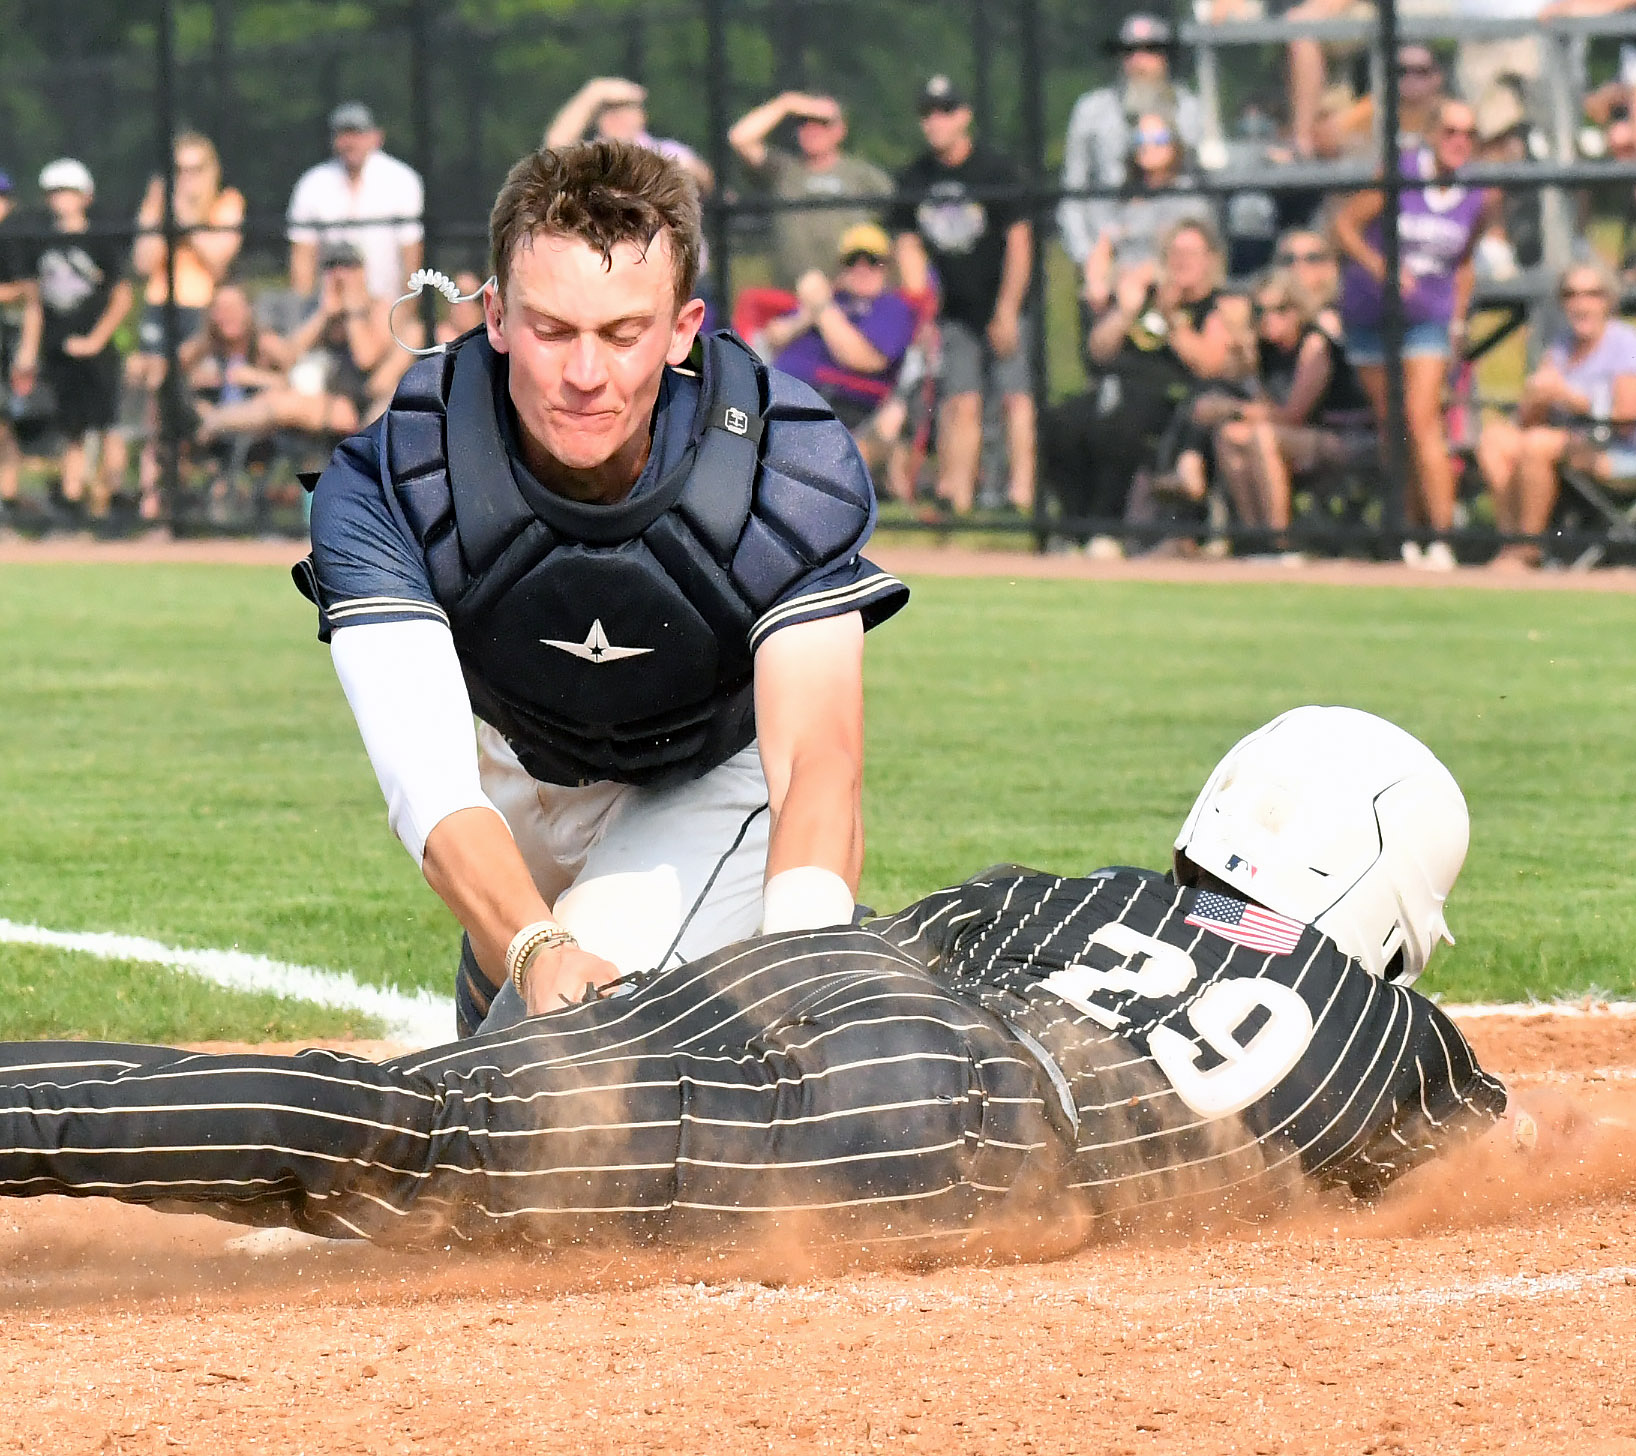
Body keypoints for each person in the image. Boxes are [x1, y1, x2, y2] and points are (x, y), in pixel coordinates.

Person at [0, 707, 1513, 1251]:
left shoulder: (1077, 892)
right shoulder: (1393, 1036)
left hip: (834, 989)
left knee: (402, 1106)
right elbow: (1514, 1160)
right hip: (954, 1126)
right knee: (392, 1154)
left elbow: (878, 951)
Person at [296, 141, 908, 1040]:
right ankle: (503, 960)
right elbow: (425, 781)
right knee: (534, 991)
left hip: (701, 774)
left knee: (575, 1055)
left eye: (624, 334)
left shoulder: (785, 468)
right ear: (495, 315)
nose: (587, 376)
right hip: (518, 755)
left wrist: (804, 966)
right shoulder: (397, 475)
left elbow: (818, 761)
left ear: (684, 326)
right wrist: (534, 948)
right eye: (552, 331)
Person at [1334, 98, 1502, 569]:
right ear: (1431, 133)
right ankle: (1403, 530)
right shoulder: (1402, 173)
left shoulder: (1478, 195)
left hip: (1427, 314)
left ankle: (1443, 535)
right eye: (1450, 130)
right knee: (1394, 426)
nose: (1458, 141)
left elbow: (1464, 261)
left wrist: (1458, 319)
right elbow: (1346, 226)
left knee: (1422, 415)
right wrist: (1382, 268)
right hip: (1372, 312)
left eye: (1468, 133)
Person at [1042, 217, 1235, 555]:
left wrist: (1171, 316)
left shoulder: (1215, 305)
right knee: (1059, 422)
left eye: (1192, 253)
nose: (1182, 261)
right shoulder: (1144, 296)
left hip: (1172, 401)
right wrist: (1126, 310)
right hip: (1114, 387)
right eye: (1175, 252)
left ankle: (1106, 529)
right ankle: (1073, 526)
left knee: (1123, 423)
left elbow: (1209, 364)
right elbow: (1099, 351)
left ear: (1210, 259)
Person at [890, 75, 1034, 515]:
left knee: (1016, 398)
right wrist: (921, 310)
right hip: (952, 310)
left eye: (945, 112)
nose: (936, 122)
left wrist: (1008, 310)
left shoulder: (996, 171)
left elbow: (1019, 243)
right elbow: (907, 242)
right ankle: (961, 498)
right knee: (961, 400)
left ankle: (1023, 496)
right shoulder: (915, 177)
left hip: (1003, 301)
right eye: (928, 114)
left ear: (964, 116)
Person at [1476, 260, 1636, 570]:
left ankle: (1528, 549)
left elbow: (1626, 418)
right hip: (1564, 444)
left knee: (1537, 444)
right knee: (1495, 439)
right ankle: (1512, 543)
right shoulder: (1561, 345)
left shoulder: (1624, 343)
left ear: (1609, 301)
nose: (1581, 302)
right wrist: (1537, 398)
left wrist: (1568, 397)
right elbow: (1527, 423)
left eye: (1592, 293)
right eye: (1571, 294)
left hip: (1616, 451)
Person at [10, 159, 134, 526]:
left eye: (69, 192)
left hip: (96, 352)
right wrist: (28, 351)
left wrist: (96, 340)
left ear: (86, 196)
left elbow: (122, 296)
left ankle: (110, 499)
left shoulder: (100, 239)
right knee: (71, 430)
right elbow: (35, 301)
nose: (61, 200)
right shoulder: (41, 242)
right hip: (57, 348)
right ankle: (72, 499)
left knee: (106, 425)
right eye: (55, 193)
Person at [128, 131, 245, 520]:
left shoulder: (227, 204)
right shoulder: (158, 205)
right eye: (179, 171)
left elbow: (217, 260)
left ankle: (201, 497)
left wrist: (185, 218)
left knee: (193, 399)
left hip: (202, 312)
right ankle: (153, 505)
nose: (188, 179)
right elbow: (144, 263)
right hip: (161, 307)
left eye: (196, 170)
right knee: (153, 404)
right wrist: (159, 211)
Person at [1058, 12, 1202, 288]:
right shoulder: (1091, 110)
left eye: (1151, 51)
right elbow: (1072, 190)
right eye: (1130, 52)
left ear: (1166, 57)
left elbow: (1197, 188)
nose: (1139, 61)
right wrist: (1087, 257)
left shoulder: (1188, 109)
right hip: (1107, 256)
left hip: (1172, 261)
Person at [197, 241, 393, 445]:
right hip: (319, 395)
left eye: (347, 267)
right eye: (332, 267)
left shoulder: (379, 308)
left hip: (357, 406)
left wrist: (353, 312)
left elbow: (366, 359)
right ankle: (211, 422)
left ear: (362, 272)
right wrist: (324, 315)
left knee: (282, 404)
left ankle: (209, 422)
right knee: (273, 398)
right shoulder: (321, 310)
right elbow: (289, 356)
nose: (340, 274)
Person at [761, 222, 917, 461]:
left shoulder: (892, 308)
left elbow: (863, 359)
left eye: (873, 261)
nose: (862, 268)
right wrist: (810, 311)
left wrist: (822, 310)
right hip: (784, 391)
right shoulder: (832, 299)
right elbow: (774, 337)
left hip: (840, 403)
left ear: (887, 268)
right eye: (853, 260)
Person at [728, 92, 893, 292]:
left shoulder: (863, 176)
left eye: (822, 123)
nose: (811, 130)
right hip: (791, 297)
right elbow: (740, 138)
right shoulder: (783, 170)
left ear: (840, 129)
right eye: (804, 123)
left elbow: (897, 226)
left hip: (849, 296)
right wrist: (786, 103)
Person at [1078, 111, 1215, 319]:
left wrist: (1144, 276)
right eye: (1140, 139)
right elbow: (1103, 245)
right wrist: (1096, 281)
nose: (1147, 146)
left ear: (1174, 146)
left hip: (1173, 291)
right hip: (1122, 292)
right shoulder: (1124, 197)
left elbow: (1195, 257)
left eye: (1158, 139)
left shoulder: (1189, 198)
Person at [287, 102, 424, 303]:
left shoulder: (402, 181)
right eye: (343, 134)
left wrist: (402, 315)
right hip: (328, 307)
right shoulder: (312, 183)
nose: (349, 142)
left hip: (385, 306)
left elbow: (412, 258)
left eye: (357, 133)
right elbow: (302, 259)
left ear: (377, 137)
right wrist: (304, 313)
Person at [544, 77, 714, 194]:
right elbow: (555, 147)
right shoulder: (592, 159)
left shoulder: (666, 151)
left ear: (642, 116)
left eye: (625, 108)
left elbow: (704, 181)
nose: (618, 117)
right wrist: (593, 92)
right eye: (609, 110)